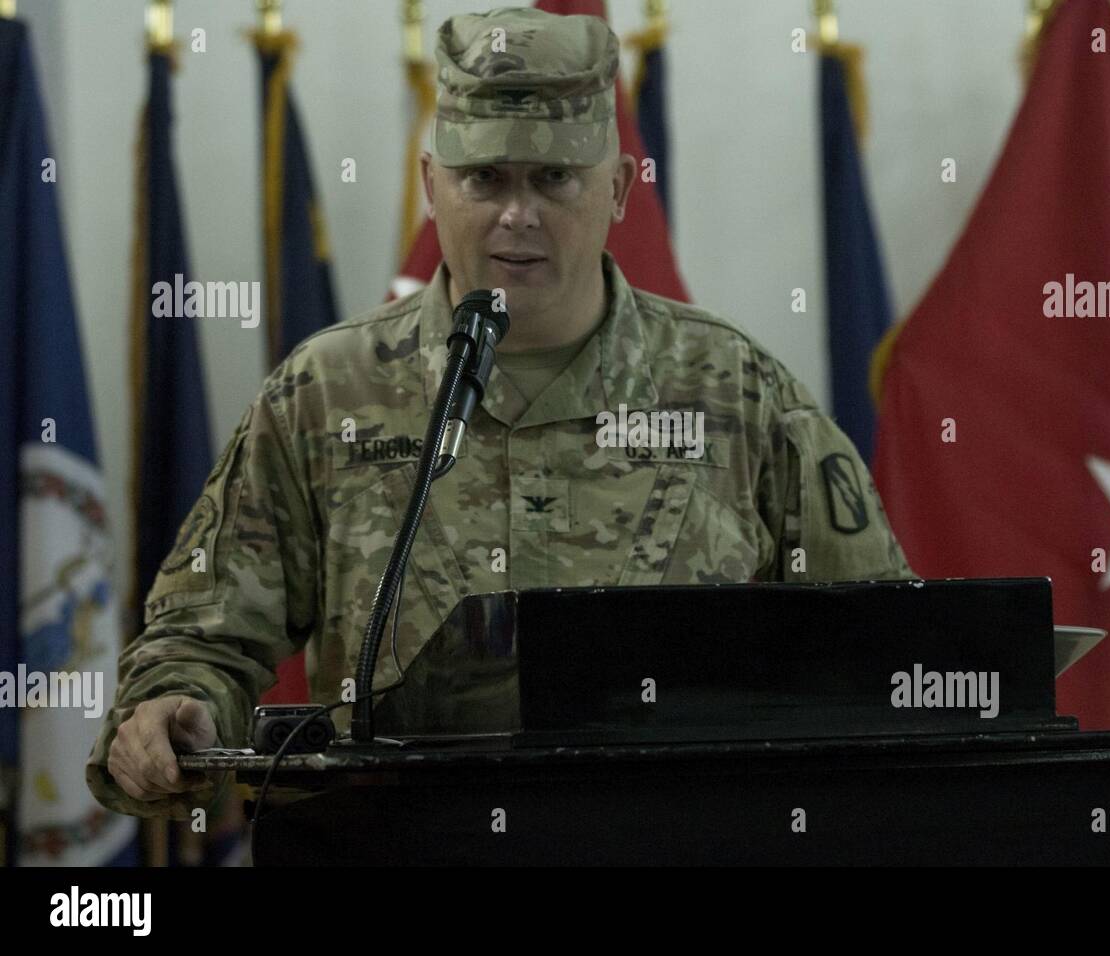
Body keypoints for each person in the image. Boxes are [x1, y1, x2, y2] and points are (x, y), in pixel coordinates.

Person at [87, 5, 913, 820]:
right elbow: (203, 635)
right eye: (484, 178)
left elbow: (886, 638)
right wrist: (175, 707)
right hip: (395, 841)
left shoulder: (734, 390)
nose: (518, 214)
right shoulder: (327, 393)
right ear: (430, 186)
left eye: (554, 178)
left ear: (619, 188)